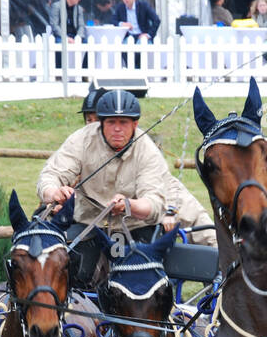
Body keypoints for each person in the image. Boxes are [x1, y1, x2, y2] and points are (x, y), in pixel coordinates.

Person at [37, 89, 169, 241]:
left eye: (124, 122)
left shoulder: (148, 151)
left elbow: (154, 204)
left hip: (135, 227)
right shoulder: (81, 138)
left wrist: (129, 205)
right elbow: (50, 175)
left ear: (135, 124)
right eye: (111, 122)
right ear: (101, 123)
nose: (117, 129)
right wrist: (53, 192)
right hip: (87, 224)